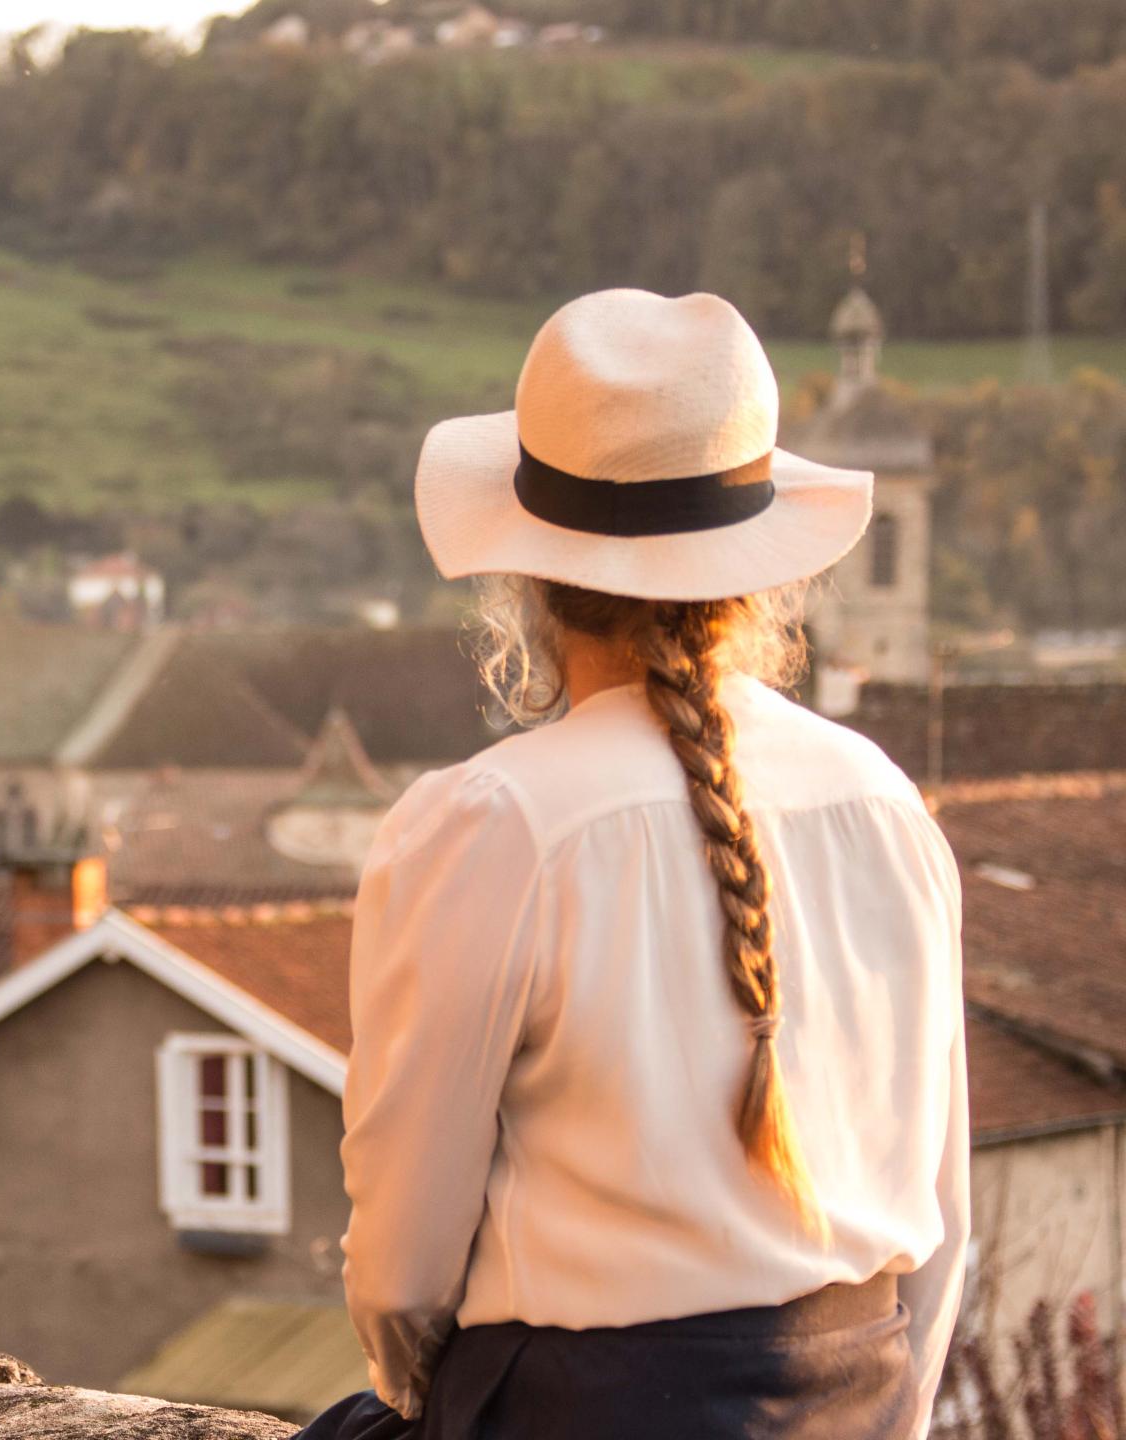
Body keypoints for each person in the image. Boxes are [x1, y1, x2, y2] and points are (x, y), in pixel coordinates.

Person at [300, 289, 967, 1440]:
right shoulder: (886, 805)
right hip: (855, 1405)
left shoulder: (494, 824)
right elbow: (941, 1222)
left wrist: (426, 1408)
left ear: (531, 582)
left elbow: (403, 1274)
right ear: (760, 574)